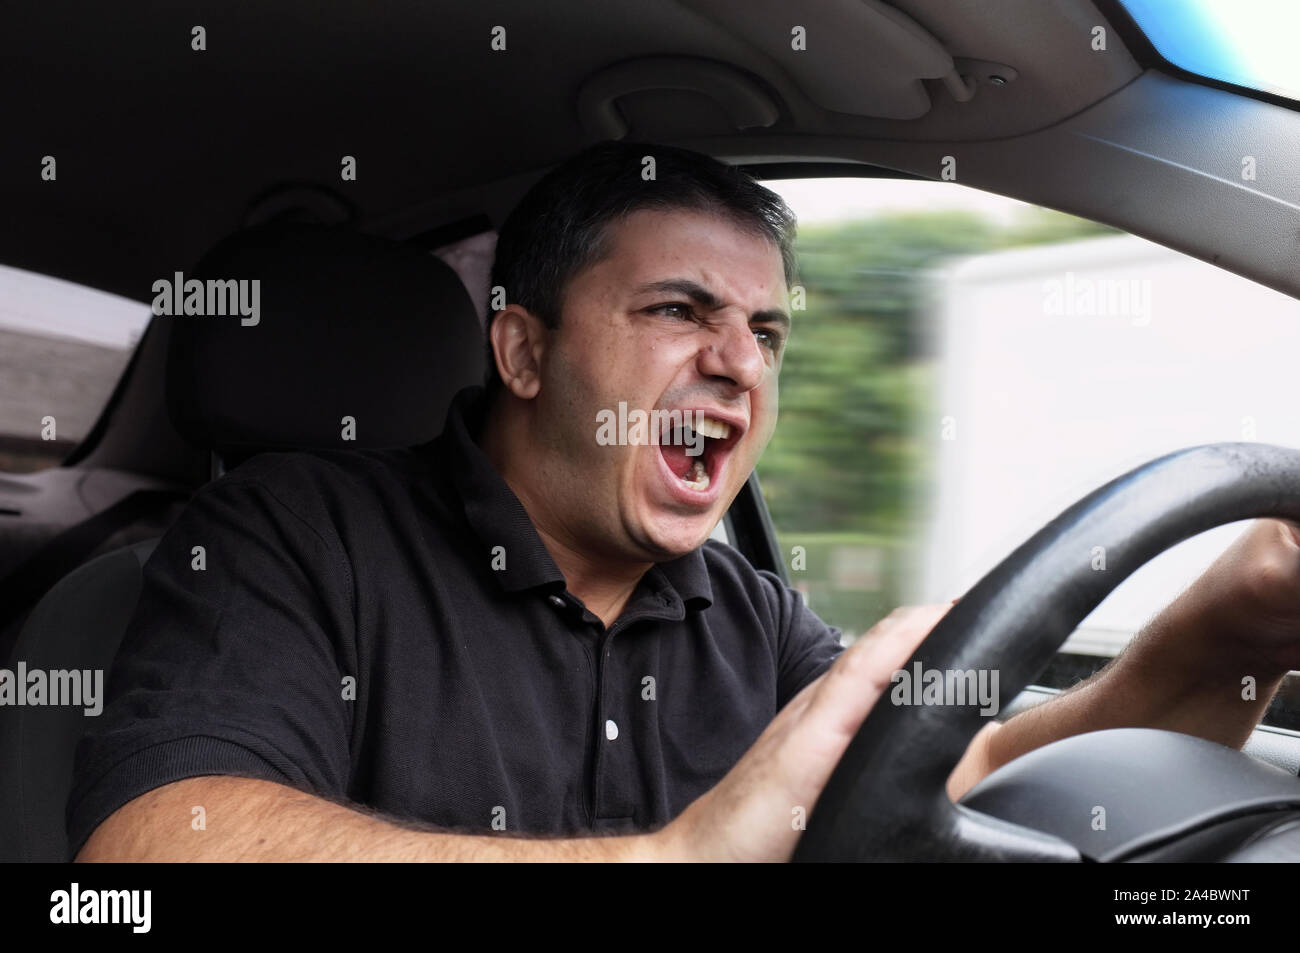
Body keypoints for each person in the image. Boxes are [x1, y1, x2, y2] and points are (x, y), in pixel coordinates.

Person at [71, 141, 1300, 862]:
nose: (740, 362)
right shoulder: (297, 531)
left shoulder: (748, 612)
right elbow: (150, 842)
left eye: (764, 330)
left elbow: (958, 773)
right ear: (523, 352)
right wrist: (674, 856)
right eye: (677, 310)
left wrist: (1221, 640)